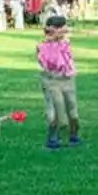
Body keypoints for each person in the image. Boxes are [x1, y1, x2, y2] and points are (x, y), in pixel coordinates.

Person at [36, 15, 80, 149]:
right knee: (54, 110)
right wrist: (51, 36)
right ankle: (53, 138)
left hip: (67, 79)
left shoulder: (65, 43)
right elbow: (44, 61)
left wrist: (58, 34)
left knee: (73, 111)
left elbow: (66, 39)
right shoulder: (42, 46)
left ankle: (74, 136)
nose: (63, 29)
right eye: (59, 27)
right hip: (51, 80)